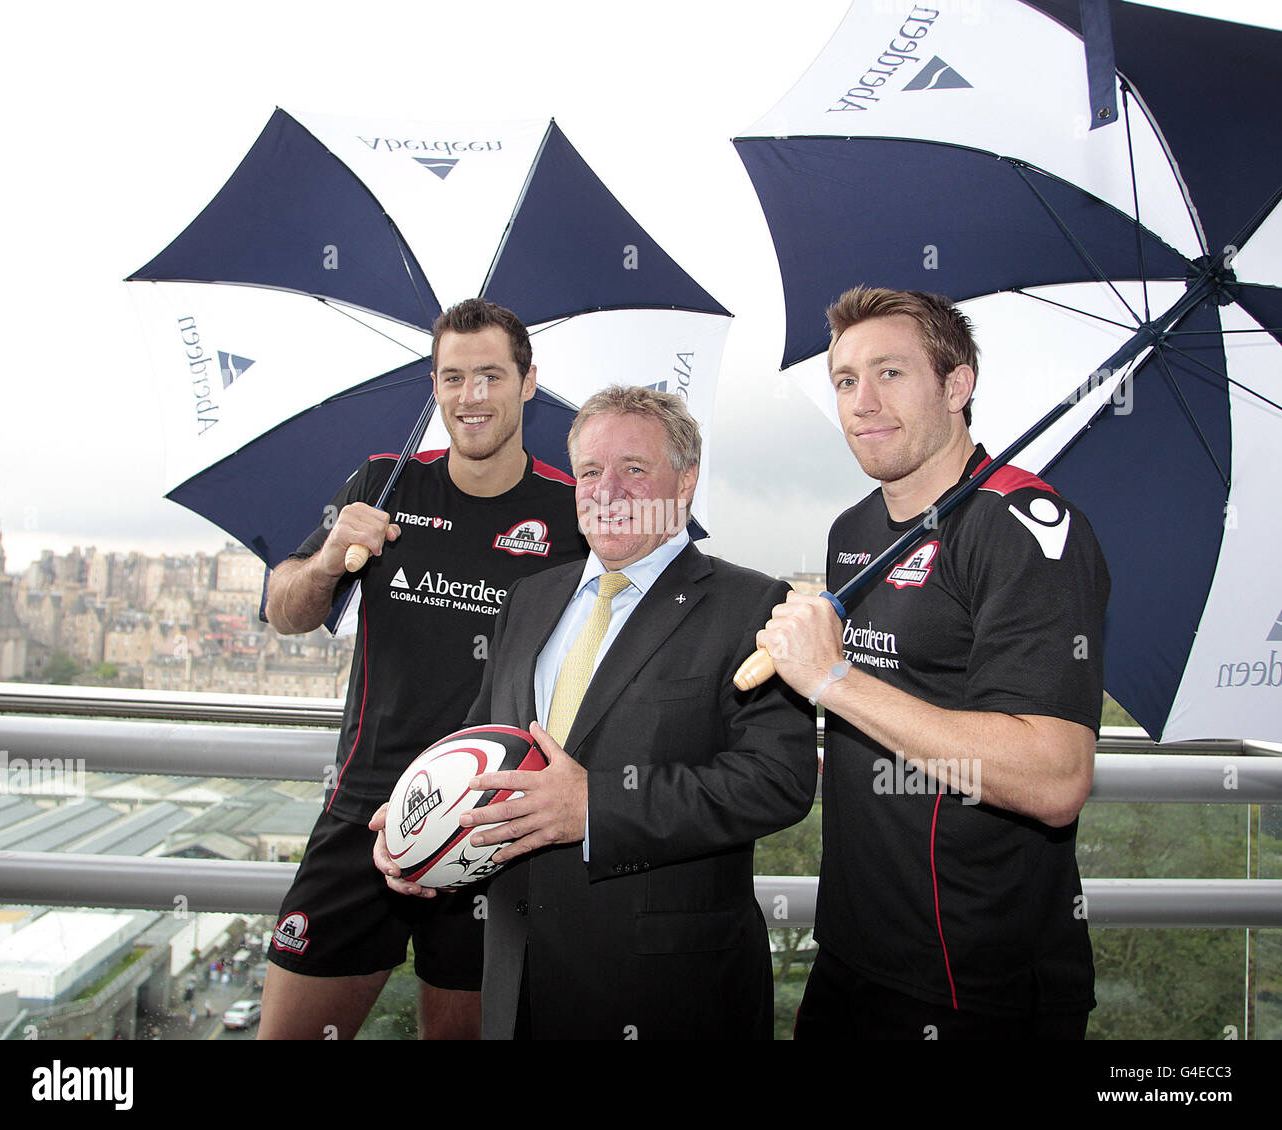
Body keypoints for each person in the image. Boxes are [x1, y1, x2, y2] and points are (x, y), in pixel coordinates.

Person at [373, 385, 819, 1039]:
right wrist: (420, 825)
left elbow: (779, 781)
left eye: (633, 470)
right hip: (516, 979)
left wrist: (593, 808)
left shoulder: (750, 607)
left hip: (670, 991)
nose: (605, 489)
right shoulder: (529, 598)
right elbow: (482, 745)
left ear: (686, 481)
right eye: (589, 471)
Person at [757, 286, 1110, 1040]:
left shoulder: (1026, 530)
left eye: (890, 373)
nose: (862, 401)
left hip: (978, 982)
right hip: (853, 954)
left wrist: (831, 681)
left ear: (957, 385)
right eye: (846, 380)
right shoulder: (853, 528)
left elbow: (1055, 778)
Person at [259, 299, 586, 1040]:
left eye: (490, 376)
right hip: (362, 809)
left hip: (492, 820)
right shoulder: (383, 481)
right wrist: (329, 555)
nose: (470, 397)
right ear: (433, 387)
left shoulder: (572, 512)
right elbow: (284, 609)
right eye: (452, 378)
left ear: (528, 382)